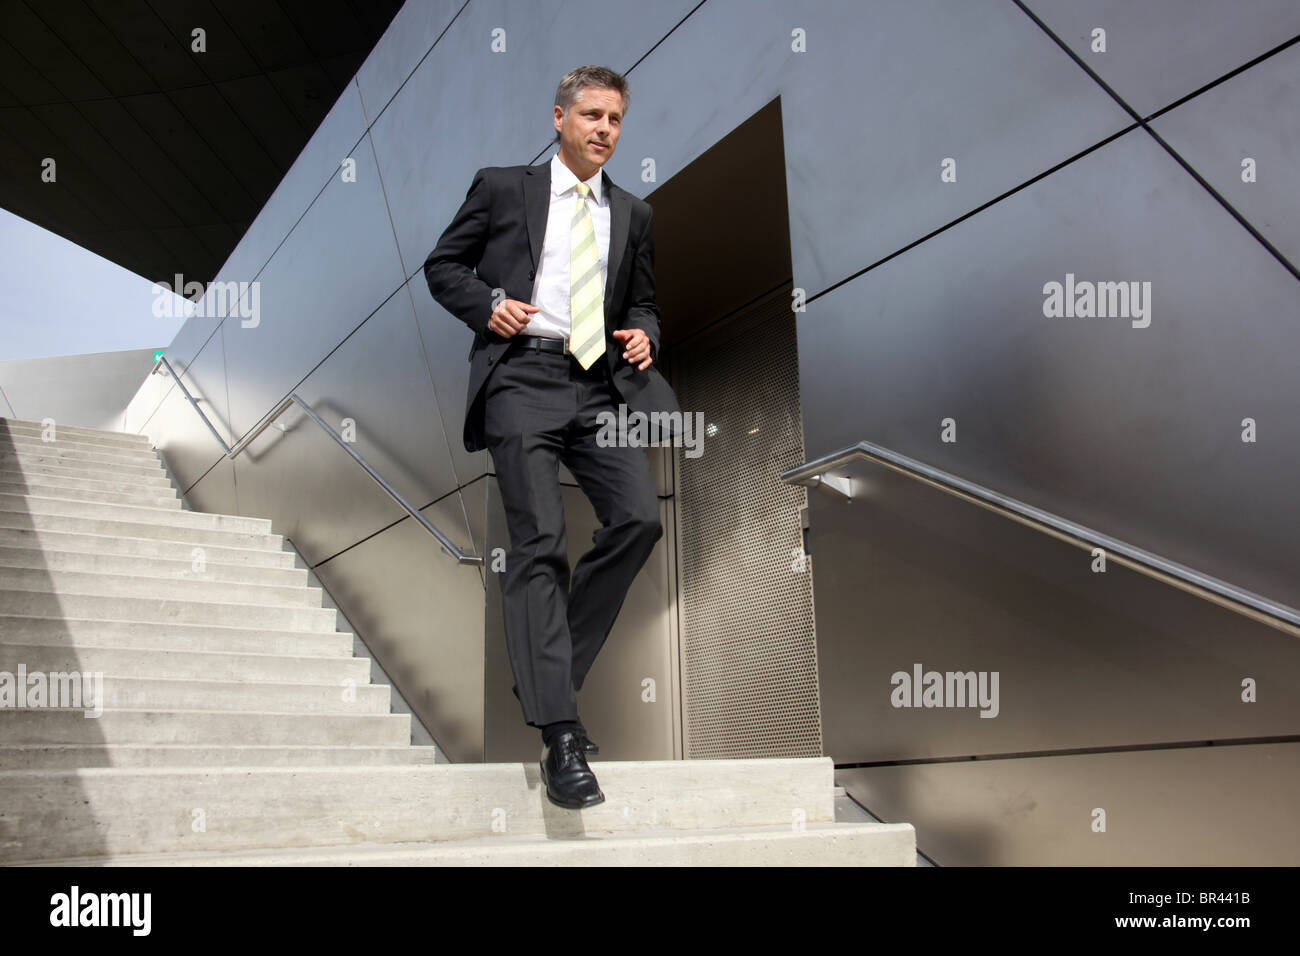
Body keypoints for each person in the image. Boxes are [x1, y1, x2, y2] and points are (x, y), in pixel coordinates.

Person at [424, 65, 682, 809]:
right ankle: (561, 735)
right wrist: (488, 305)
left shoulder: (634, 213)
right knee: (539, 541)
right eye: (592, 114)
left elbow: (647, 304)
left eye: (616, 119)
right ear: (560, 119)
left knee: (638, 519)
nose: (605, 129)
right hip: (522, 380)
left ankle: (547, 665)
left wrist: (646, 338)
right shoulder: (504, 188)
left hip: (598, 383)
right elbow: (444, 265)